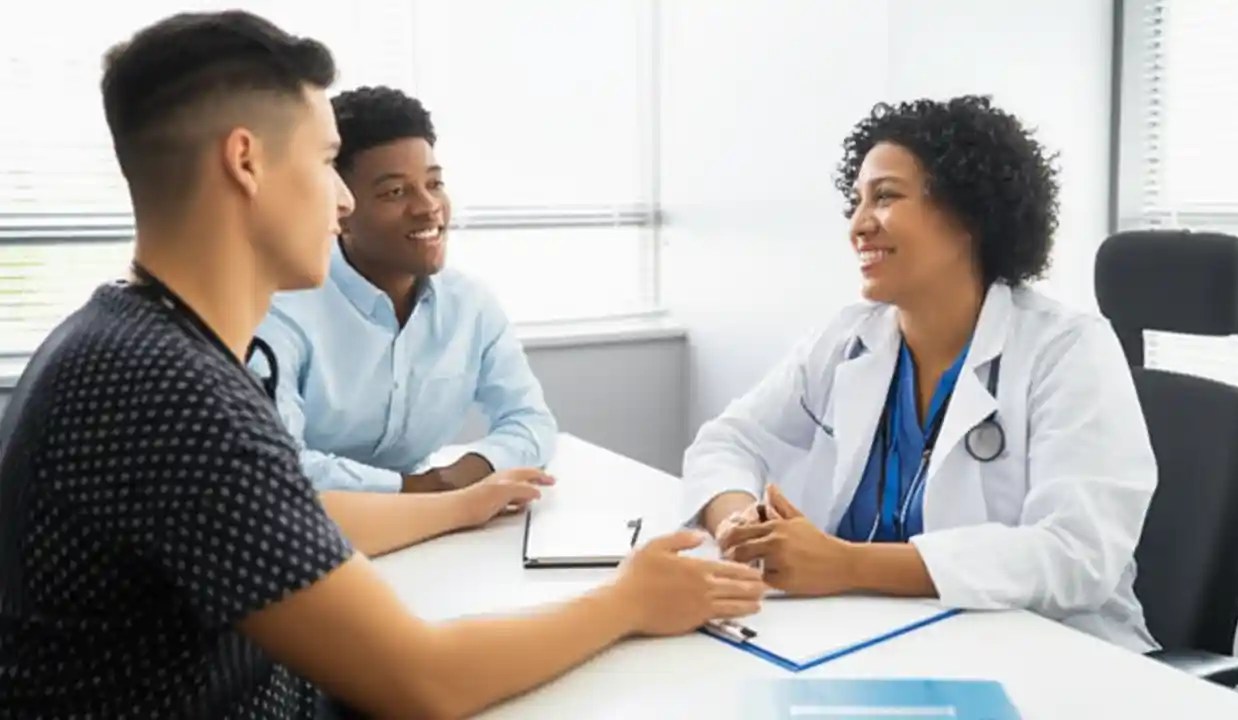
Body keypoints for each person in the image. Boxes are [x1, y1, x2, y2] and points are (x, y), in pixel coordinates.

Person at [0, 12, 765, 718]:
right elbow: (420, 681)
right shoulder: (174, 394)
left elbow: (295, 514)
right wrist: (629, 601)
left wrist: (457, 503)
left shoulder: (127, 335)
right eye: (330, 162)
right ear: (246, 162)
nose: (340, 201)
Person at [682, 95, 1159, 653]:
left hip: (1055, 654)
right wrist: (741, 524)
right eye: (856, 202)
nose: (859, 225)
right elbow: (727, 440)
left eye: (884, 197)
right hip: (882, 639)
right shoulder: (849, 340)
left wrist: (847, 564)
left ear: (968, 218)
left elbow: (1074, 555)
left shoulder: (1067, 350)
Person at [251, 85, 556, 497]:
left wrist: (465, 473)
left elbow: (531, 420)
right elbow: (279, 462)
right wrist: (413, 489)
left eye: (434, 183)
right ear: (340, 205)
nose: (428, 206)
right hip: (315, 530)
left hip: (436, 525)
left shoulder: (470, 306)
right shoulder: (280, 310)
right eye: (395, 192)